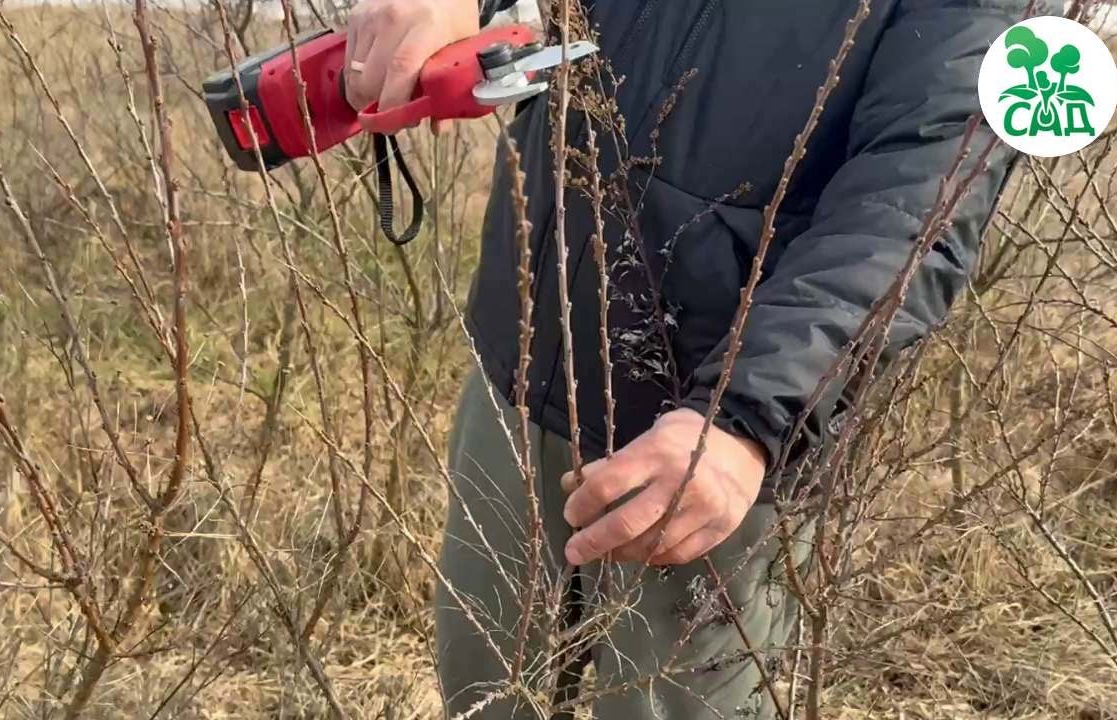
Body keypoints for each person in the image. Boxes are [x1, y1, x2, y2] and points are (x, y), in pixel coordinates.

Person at [344, 1, 1022, 717]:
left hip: (714, 448)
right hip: (521, 364)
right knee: (482, 688)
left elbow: (915, 203)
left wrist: (742, 417)